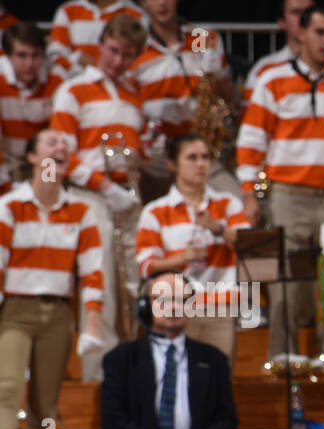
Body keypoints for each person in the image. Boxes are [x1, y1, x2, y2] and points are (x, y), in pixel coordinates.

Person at [236, 2, 324, 364]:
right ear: (302, 33)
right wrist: (249, 194)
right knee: (284, 291)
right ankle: (282, 370)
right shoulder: (272, 80)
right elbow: (251, 142)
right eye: (321, 33)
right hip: (287, 196)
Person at [0, 128, 104, 429]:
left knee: (45, 411)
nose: (61, 147)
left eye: (65, 145)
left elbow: (92, 271)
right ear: (31, 157)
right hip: (14, 311)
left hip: (59, 314)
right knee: (7, 389)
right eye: (51, 142)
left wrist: (92, 323)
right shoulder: (10, 205)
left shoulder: (81, 211)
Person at [49, 13, 148, 376]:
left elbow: (135, 151)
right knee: (101, 281)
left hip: (128, 195)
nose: (118, 61)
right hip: (91, 197)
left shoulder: (133, 94)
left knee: (137, 283)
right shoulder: (72, 90)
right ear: (100, 44)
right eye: (113, 51)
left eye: (127, 55)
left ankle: (136, 367)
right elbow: (59, 154)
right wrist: (104, 186)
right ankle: (99, 375)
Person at [100, 271, 239, 429]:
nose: (173, 307)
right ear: (146, 306)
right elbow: (113, 423)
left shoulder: (214, 360)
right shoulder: (120, 359)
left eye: (181, 300)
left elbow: (226, 421)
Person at [136, 132, 252, 362]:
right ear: (172, 165)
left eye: (205, 157)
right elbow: (146, 266)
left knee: (218, 385)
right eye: (192, 158)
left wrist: (217, 228)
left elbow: (249, 246)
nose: (201, 164)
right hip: (177, 310)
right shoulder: (155, 211)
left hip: (220, 307)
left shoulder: (228, 203)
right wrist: (180, 259)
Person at [132, 0, 239, 199]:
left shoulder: (201, 37)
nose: (162, 3)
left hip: (200, 149)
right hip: (157, 160)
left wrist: (216, 76)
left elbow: (227, 98)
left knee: (237, 202)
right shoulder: (135, 47)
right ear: (143, 3)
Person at [0, 22, 62, 191]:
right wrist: (5, 186)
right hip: (7, 159)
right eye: (22, 55)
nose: (29, 63)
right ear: (7, 56)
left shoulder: (56, 79)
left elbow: (56, 138)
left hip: (43, 159)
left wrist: (49, 182)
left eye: (36, 55)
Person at [47, 0, 146, 80]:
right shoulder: (67, 10)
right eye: (113, 51)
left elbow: (139, 62)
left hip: (118, 94)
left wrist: (83, 60)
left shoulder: (137, 14)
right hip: (72, 91)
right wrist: (90, 73)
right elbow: (55, 56)